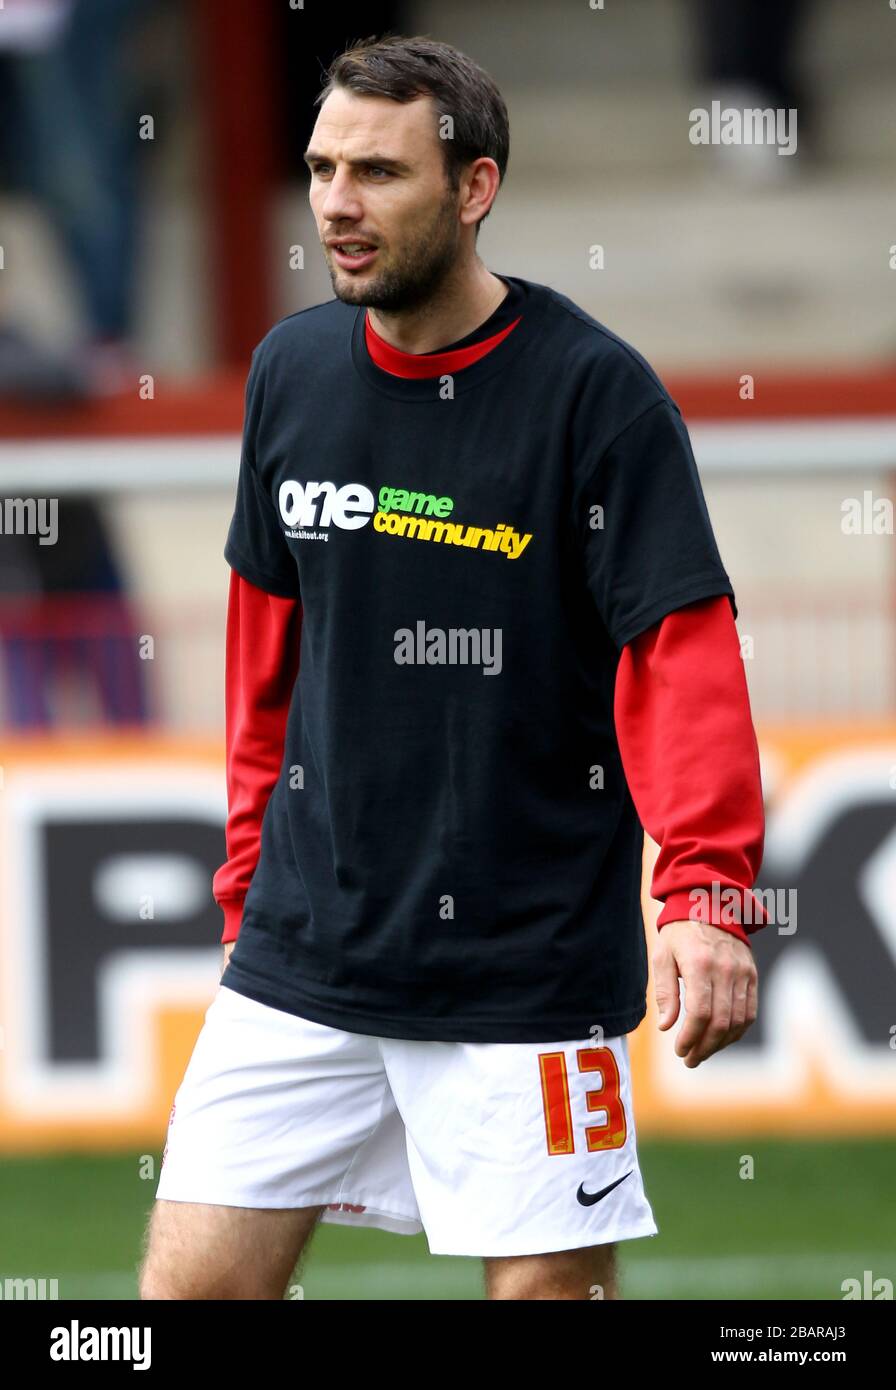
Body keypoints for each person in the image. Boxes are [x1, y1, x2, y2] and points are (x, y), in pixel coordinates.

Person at [139, 34, 767, 1302]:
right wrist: (249, 882)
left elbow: (678, 657)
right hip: (300, 954)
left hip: (521, 971)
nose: (334, 203)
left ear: (472, 188)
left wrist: (703, 893)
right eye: (319, 169)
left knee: (546, 1298)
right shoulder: (291, 371)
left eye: (376, 172)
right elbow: (266, 655)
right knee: (183, 1302)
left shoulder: (597, 396)